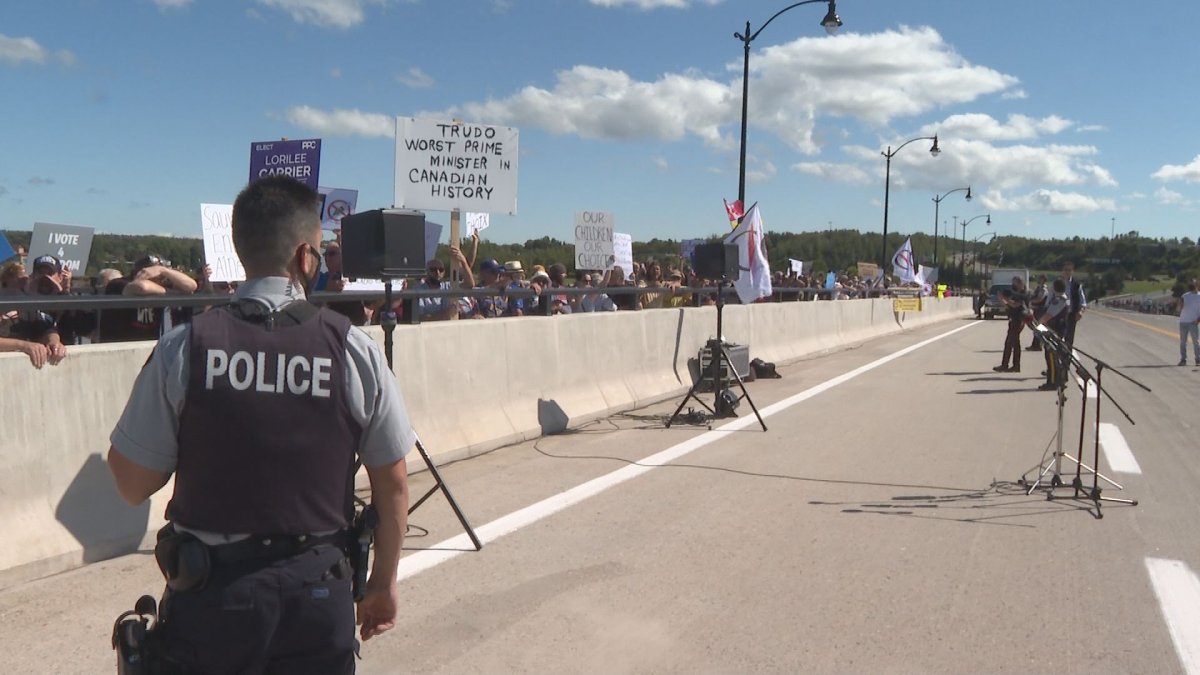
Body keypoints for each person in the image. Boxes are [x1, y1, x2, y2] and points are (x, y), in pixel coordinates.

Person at [106, 176, 414, 673]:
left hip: (212, 601)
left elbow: (130, 484)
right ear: (306, 258)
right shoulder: (354, 350)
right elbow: (393, 483)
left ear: (240, 249)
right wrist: (382, 583)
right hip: (318, 597)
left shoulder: (184, 348)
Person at [101, 254, 199, 342]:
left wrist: (164, 270)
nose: (162, 279)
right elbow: (142, 287)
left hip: (150, 343)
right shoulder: (117, 283)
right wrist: (175, 293)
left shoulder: (160, 287)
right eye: (158, 275)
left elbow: (191, 286)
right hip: (119, 343)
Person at [1036, 279, 1070, 391]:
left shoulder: (1059, 300)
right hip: (1056, 330)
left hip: (1054, 331)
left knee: (1051, 357)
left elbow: (1049, 314)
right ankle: (1057, 380)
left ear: (1055, 288)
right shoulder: (1063, 299)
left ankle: (1052, 382)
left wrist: (1038, 324)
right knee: (1053, 357)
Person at [993, 276, 1029, 373]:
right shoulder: (1015, 294)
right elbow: (1009, 306)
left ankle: (1010, 365)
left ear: (1020, 283)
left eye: (1015, 283)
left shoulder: (1023, 294)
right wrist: (1001, 299)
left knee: (1012, 343)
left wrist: (1005, 298)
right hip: (1013, 319)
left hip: (1018, 320)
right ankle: (1011, 365)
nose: (1013, 285)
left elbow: (1015, 305)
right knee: (1012, 343)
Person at [1060, 262, 1086, 346]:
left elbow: (1083, 301)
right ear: (1062, 271)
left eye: (1069, 270)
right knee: (1057, 337)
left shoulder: (1077, 285)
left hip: (1071, 315)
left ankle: (1067, 353)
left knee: (1069, 339)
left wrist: (1080, 311)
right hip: (1058, 314)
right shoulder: (1058, 283)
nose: (1067, 272)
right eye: (1065, 270)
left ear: (1072, 271)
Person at [1176, 280, 1200, 366]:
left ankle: (1198, 359)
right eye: (1191, 284)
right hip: (1183, 321)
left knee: (1196, 342)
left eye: (1194, 284)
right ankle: (1183, 359)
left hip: (1193, 322)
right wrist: (1180, 306)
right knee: (1183, 342)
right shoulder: (1185, 296)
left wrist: (1198, 320)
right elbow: (1179, 308)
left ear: (1197, 285)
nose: (1193, 286)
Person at [1026, 274, 1049, 351]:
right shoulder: (1038, 288)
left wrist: (1030, 301)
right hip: (1037, 310)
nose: (1038, 280)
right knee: (1036, 327)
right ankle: (1035, 345)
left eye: (1040, 278)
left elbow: (1039, 299)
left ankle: (1038, 345)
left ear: (1043, 280)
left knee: (1039, 328)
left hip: (1041, 310)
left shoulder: (1043, 289)